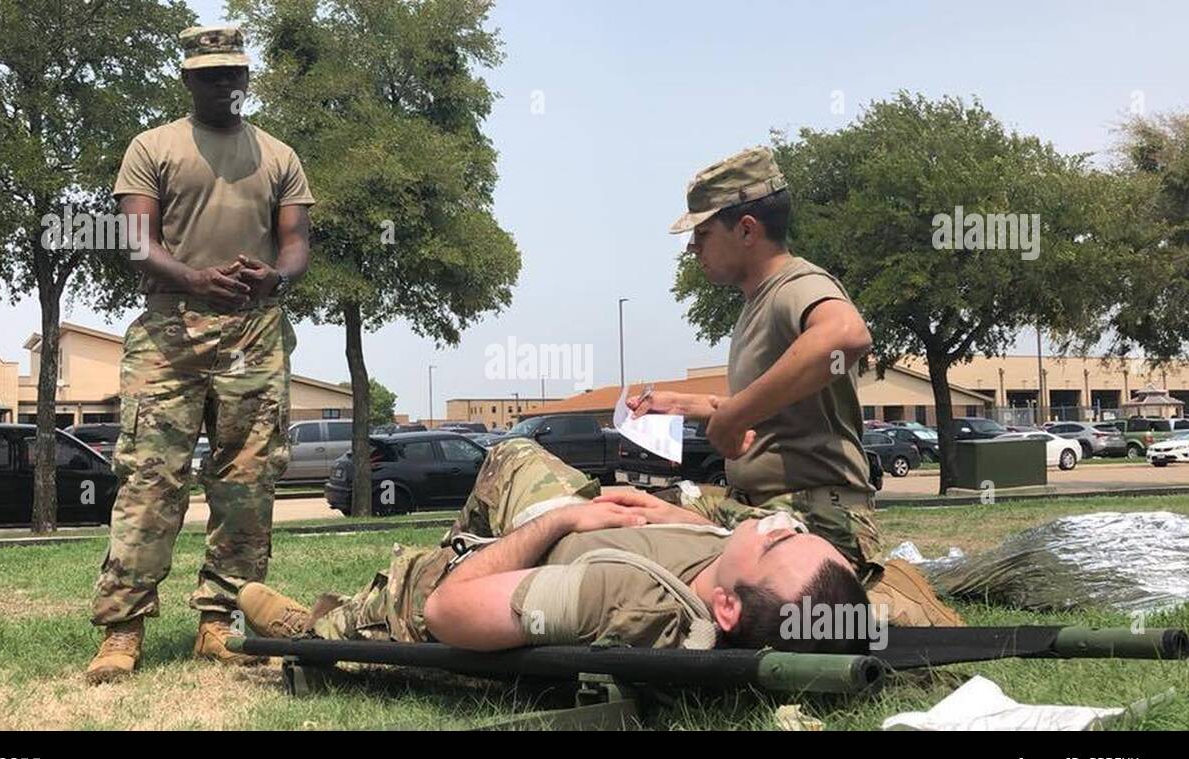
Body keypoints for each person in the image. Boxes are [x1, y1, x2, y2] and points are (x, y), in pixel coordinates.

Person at [86, 25, 315, 684]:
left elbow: (296, 240)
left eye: (232, 72)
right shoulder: (151, 147)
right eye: (209, 73)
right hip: (170, 335)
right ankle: (121, 629)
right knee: (150, 480)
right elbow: (136, 240)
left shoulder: (279, 156)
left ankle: (220, 621)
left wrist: (279, 277)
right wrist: (193, 278)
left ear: (245, 77)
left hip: (255, 333)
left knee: (247, 483)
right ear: (186, 77)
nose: (222, 83)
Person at [238, 439, 871, 653]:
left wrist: (562, 523)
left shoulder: (625, 597)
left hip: (448, 583)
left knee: (404, 588)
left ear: (727, 610)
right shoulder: (754, 569)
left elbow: (447, 610)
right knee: (512, 455)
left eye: (775, 541)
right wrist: (661, 509)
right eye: (793, 529)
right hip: (572, 527)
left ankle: (309, 631)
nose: (774, 524)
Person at [629, 146, 880, 577]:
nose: (692, 248)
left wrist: (731, 420)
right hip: (764, 508)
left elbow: (847, 336)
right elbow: (764, 413)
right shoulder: (757, 303)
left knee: (642, 548)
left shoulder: (796, 285)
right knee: (629, 510)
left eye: (703, 234)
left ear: (746, 230)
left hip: (814, 517)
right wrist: (678, 404)